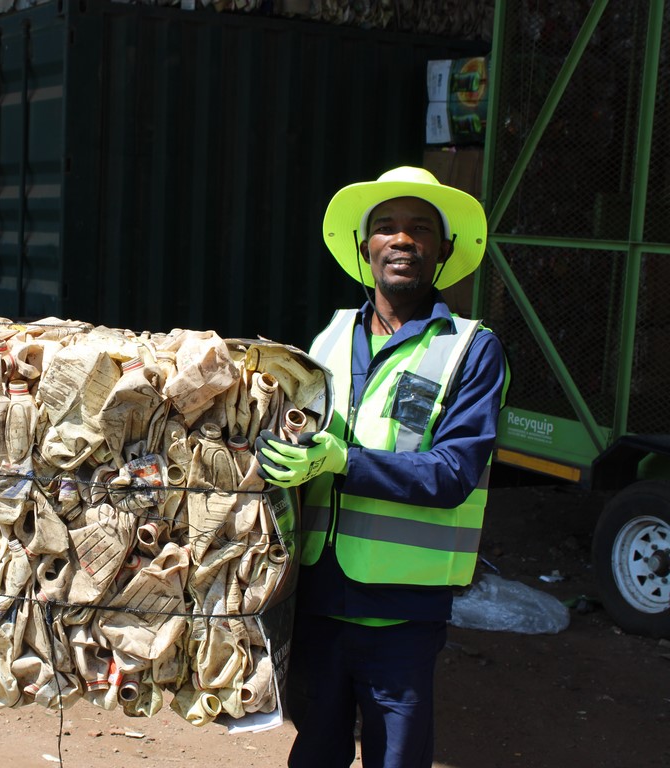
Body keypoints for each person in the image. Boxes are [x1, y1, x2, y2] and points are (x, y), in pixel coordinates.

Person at [255, 166, 508, 768]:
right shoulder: (328, 339)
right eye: (386, 227)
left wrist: (343, 461)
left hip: (402, 613)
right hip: (316, 598)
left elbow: (453, 473)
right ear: (363, 246)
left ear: (443, 249)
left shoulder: (471, 349)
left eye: (420, 228)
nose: (402, 239)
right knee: (314, 751)